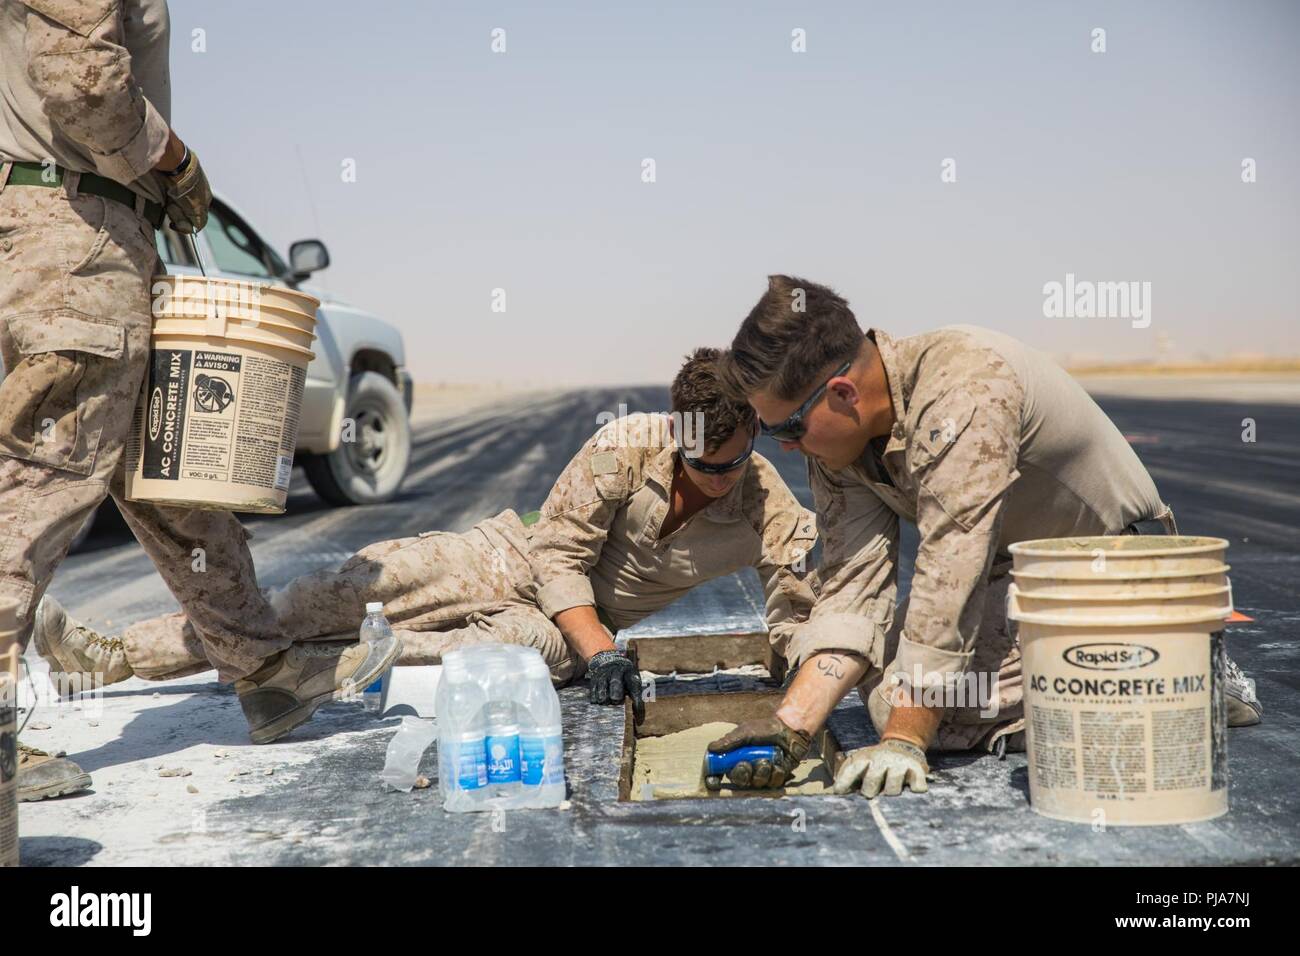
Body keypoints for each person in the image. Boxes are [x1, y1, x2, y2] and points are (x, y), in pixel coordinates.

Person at [1, 0, 398, 801]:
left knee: (170, 474)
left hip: (98, 235)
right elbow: (84, 84)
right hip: (70, 234)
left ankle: (265, 670)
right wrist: (176, 163)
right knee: (40, 487)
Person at [707, 275, 1262, 798]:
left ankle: (1178, 672)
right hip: (1014, 575)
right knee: (883, 685)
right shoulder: (837, 443)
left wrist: (905, 742)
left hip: (1106, 571)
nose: (784, 447)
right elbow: (852, 586)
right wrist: (792, 726)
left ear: (844, 393)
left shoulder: (963, 389)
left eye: (787, 428)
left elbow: (953, 571)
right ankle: (1127, 678)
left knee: (921, 711)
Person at [34, 349, 819, 717]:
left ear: (751, 436)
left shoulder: (761, 498)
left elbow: (795, 595)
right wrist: (604, 654)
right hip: (506, 558)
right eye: (699, 464)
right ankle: (117, 658)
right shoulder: (626, 444)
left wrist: (806, 675)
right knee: (337, 593)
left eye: (728, 464)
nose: (712, 480)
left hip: (567, 632)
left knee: (439, 654)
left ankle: (293, 674)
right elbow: (560, 553)